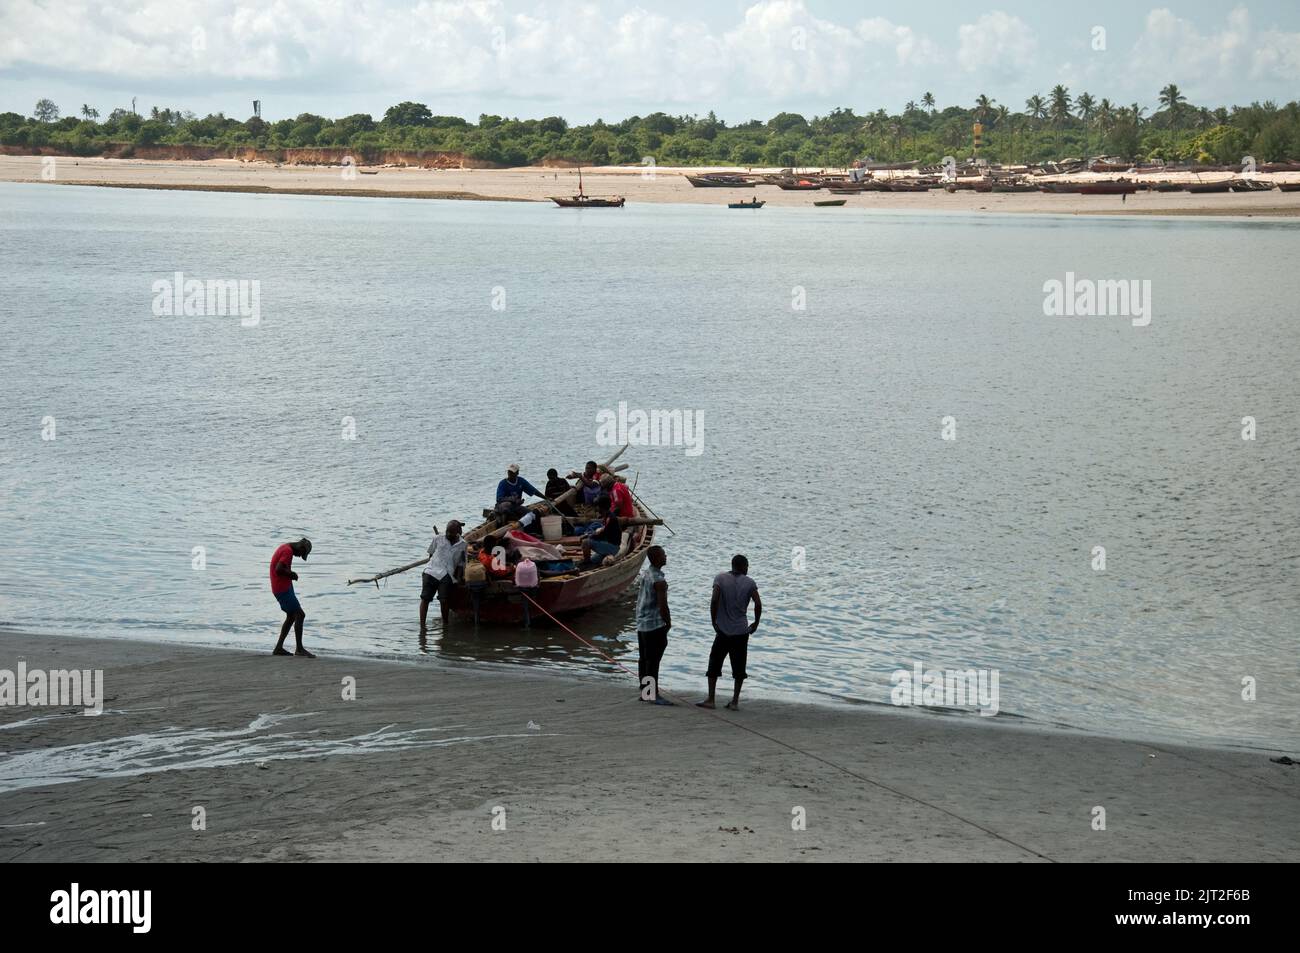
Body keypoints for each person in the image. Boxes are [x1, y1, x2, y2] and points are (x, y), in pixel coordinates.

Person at [699, 554, 762, 711]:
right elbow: (758, 603)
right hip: (741, 631)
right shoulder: (750, 582)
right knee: (739, 666)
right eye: (747, 566)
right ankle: (734, 701)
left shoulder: (720, 579)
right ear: (743, 566)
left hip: (723, 630)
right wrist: (756, 622)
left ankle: (711, 699)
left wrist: (714, 621)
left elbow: (714, 600)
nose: (748, 569)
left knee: (714, 662)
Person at [636, 546, 673, 705]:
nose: (665, 557)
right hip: (654, 625)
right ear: (657, 558)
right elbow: (663, 606)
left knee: (644, 659)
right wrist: (668, 622)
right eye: (663, 555)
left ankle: (645, 691)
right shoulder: (659, 581)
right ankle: (651, 694)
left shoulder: (646, 573)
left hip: (642, 623)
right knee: (653, 660)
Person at [270, 538, 314, 657]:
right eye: (301, 554)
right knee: (300, 615)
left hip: (284, 587)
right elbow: (279, 569)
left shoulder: (285, 547)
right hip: (282, 589)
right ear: (300, 547)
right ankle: (299, 649)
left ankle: (279, 648)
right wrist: (291, 574)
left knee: (291, 616)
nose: (300, 556)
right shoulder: (287, 551)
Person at [420, 520, 467, 632]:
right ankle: (422, 626)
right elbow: (430, 554)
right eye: (447, 531)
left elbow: (461, 564)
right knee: (425, 599)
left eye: (451, 532)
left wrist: (459, 579)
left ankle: (445, 624)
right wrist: (432, 564)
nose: (448, 534)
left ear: (458, 533)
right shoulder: (438, 538)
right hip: (431, 571)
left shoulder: (463, 544)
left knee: (444, 600)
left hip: (447, 574)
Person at [580, 496, 626, 565]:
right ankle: (592, 560)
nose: (597, 509)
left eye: (598, 506)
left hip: (613, 547)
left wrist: (589, 536)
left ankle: (586, 563)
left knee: (585, 542)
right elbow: (603, 531)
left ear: (602, 507)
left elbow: (602, 535)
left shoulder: (610, 518)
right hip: (611, 545)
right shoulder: (607, 515)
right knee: (594, 560)